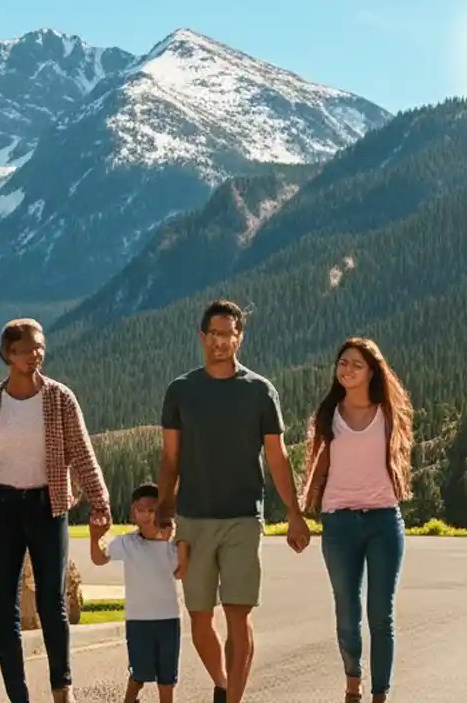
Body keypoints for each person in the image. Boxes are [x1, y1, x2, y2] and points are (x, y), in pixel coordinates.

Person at [154, 300, 312, 703]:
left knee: (238, 614)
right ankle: (224, 684)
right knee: (199, 617)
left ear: (239, 337)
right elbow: (171, 457)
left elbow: (277, 458)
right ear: (202, 336)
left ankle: (233, 698)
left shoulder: (260, 391)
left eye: (229, 334)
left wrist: (295, 514)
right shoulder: (181, 390)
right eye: (214, 334)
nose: (221, 342)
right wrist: (163, 508)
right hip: (192, 518)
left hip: (243, 517)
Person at [0, 317, 112, 703]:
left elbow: (82, 451)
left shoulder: (60, 398)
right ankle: (18, 697)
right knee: (5, 607)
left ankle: (63, 691)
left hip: (48, 506)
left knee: (51, 603)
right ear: (8, 354)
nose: (34, 355)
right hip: (1, 509)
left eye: (39, 347)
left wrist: (100, 500)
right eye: (25, 350)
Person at [300, 337, 413, 703]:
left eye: (356, 364)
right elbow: (320, 462)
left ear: (372, 371)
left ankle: (380, 693)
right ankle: (353, 679)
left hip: (384, 522)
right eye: (342, 362)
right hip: (339, 524)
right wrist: (302, 510)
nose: (346, 369)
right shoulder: (329, 413)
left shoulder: (388, 412)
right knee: (347, 612)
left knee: (381, 615)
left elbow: (397, 456)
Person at [91, 483, 187, 703]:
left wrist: (176, 536)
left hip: (168, 619)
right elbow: (99, 558)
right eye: (140, 510)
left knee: (166, 678)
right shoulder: (127, 543)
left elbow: (182, 572)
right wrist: (94, 537)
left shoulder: (174, 545)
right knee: (139, 674)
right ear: (133, 512)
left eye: (152, 510)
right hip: (138, 620)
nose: (146, 516)